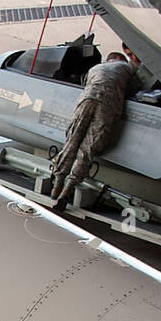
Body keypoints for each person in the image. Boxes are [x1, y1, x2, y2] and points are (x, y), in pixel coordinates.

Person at [49, 52, 136, 211]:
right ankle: (68, 189)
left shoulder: (96, 67)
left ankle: (57, 184)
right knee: (88, 148)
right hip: (108, 105)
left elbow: (84, 82)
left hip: (87, 99)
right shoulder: (127, 68)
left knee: (71, 142)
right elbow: (135, 89)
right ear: (121, 60)